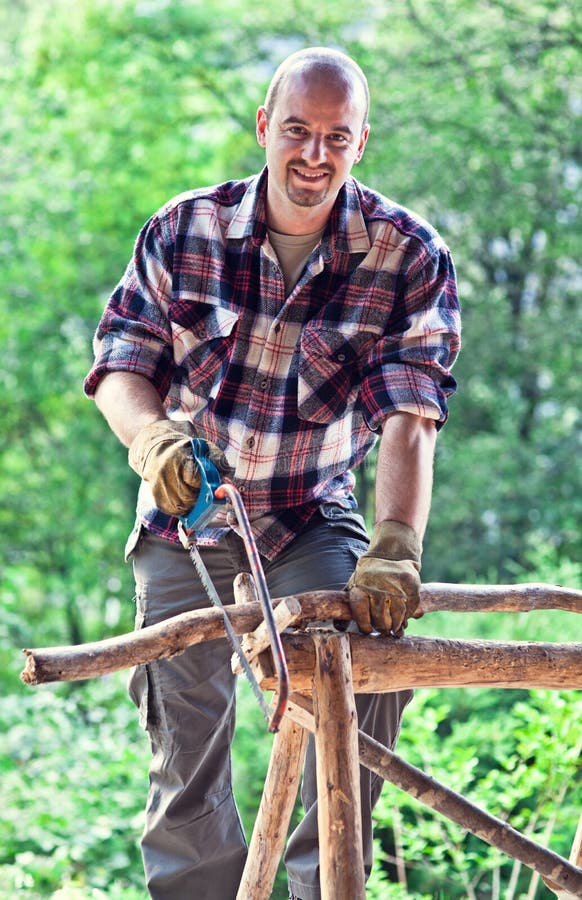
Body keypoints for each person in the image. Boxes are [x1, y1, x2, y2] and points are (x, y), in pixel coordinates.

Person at [84, 46, 461, 900]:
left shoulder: (408, 257)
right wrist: (152, 444)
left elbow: (411, 411)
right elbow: (119, 363)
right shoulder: (185, 231)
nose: (313, 155)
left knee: (364, 681)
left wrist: (400, 541)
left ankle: (319, 887)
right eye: (297, 131)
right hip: (188, 518)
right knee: (187, 768)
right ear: (265, 127)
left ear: (362, 142)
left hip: (310, 513)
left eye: (336, 136)